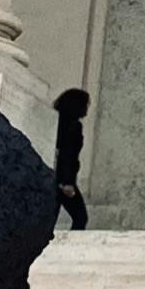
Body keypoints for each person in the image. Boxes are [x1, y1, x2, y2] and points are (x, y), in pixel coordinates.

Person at [51, 87, 90, 233]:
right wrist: (67, 182)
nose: (87, 108)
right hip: (63, 179)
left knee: (50, 217)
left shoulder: (58, 122)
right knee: (80, 217)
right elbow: (69, 154)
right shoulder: (73, 126)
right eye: (86, 104)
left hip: (53, 177)